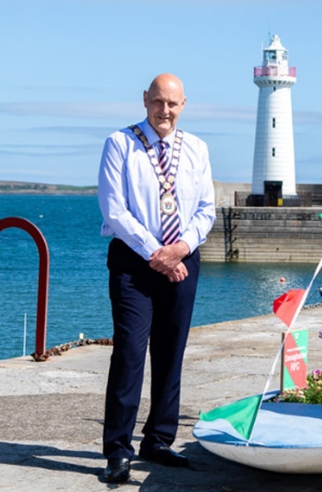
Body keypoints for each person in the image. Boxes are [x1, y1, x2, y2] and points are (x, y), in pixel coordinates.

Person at [97, 73, 216, 483]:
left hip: (182, 260)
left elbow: (206, 209)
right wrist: (157, 253)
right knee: (130, 352)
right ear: (145, 100)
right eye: (158, 102)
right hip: (134, 262)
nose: (164, 111)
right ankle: (117, 448)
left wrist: (179, 249)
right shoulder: (120, 144)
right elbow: (115, 210)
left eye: (173, 104)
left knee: (171, 350)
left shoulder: (197, 148)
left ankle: (159, 438)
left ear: (184, 105)